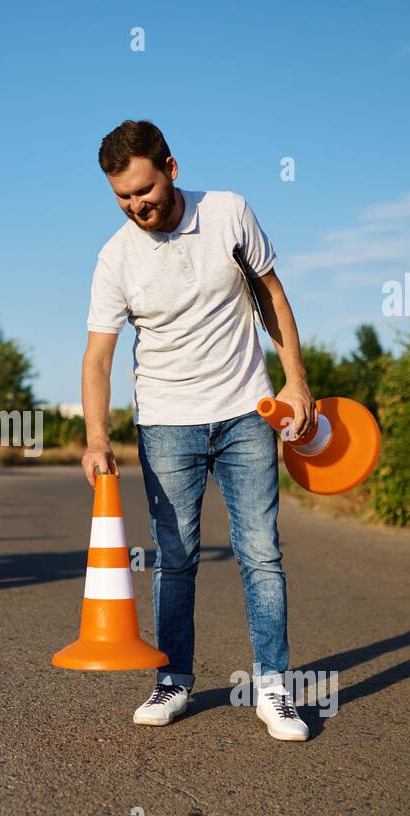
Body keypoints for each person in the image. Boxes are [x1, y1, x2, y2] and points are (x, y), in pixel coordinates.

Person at [80, 119, 313, 740]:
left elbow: (271, 296)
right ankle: (174, 680)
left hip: (245, 412)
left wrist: (296, 380)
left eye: (145, 190)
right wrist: (97, 436)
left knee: (260, 550)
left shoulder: (230, 213)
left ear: (172, 168)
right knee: (175, 558)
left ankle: (272, 686)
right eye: (123, 197)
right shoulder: (115, 257)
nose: (137, 206)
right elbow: (98, 357)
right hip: (165, 423)